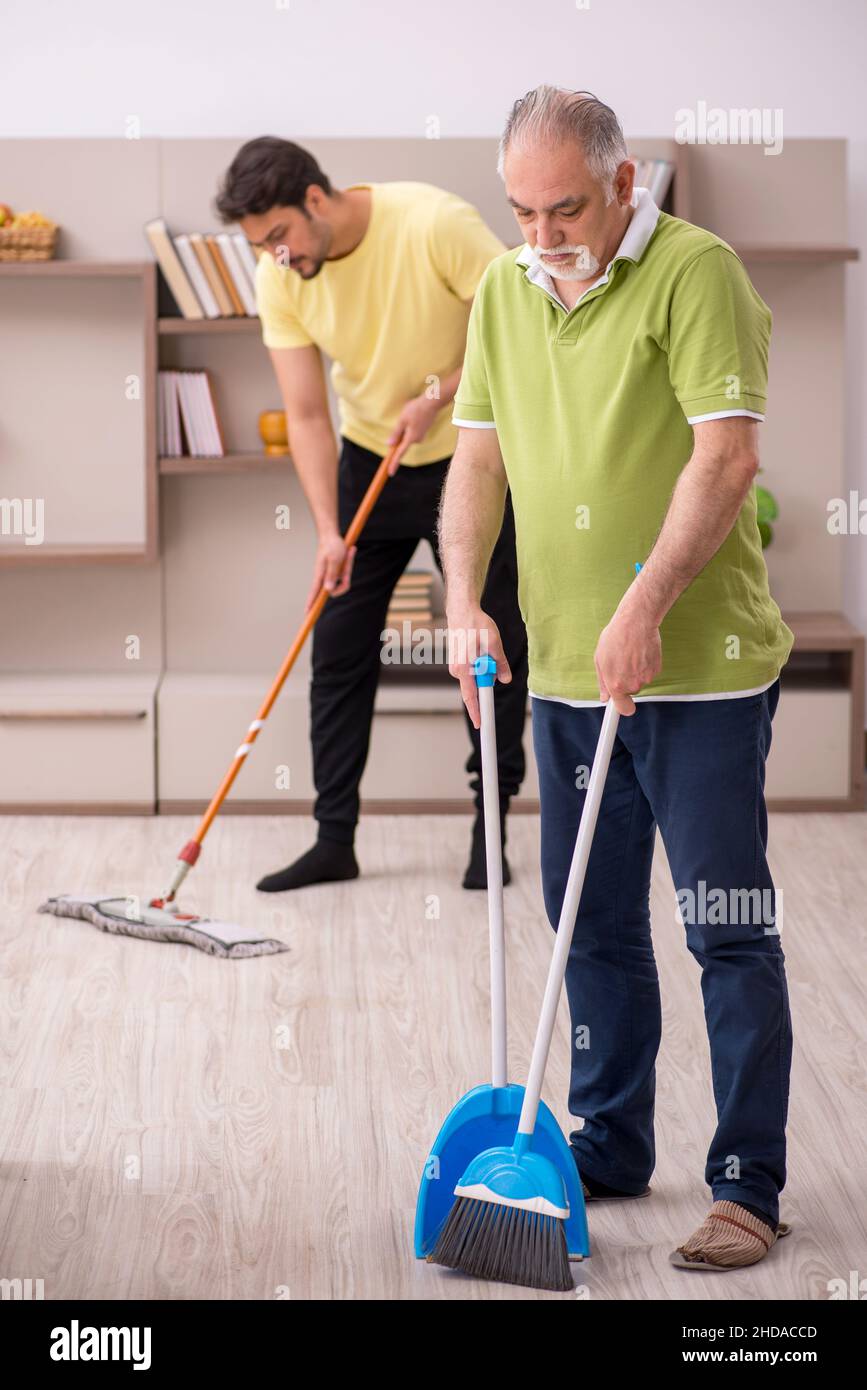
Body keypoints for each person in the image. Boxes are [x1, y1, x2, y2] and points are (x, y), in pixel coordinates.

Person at [440, 86, 795, 1269]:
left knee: (725, 925)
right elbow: (478, 463)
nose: (542, 236)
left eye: (566, 209)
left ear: (625, 180)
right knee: (586, 920)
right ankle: (608, 1139)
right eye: (522, 212)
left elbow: (727, 456)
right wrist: (460, 600)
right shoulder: (504, 288)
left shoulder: (700, 275)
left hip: (698, 669)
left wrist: (646, 605)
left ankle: (746, 1182)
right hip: (560, 667)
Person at [215, 138, 528, 891]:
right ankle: (334, 839)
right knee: (340, 647)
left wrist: (441, 394)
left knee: (486, 642)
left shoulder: (431, 223)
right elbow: (306, 413)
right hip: (369, 460)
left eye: (279, 236)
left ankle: (491, 837)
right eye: (260, 246)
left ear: (315, 201)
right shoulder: (280, 275)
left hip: (470, 453)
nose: (275, 257)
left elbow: (520, 327)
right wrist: (327, 529)